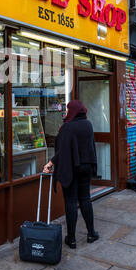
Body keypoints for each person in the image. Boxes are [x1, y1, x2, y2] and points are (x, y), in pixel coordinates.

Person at [43, 100, 99, 249]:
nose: (67, 113)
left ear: (73, 111)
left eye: (68, 110)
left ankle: (72, 239)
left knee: (71, 202)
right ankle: (91, 233)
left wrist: (50, 163)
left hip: (72, 168)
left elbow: (62, 152)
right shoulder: (88, 124)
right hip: (86, 167)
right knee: (86, 199)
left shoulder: (67, 127)